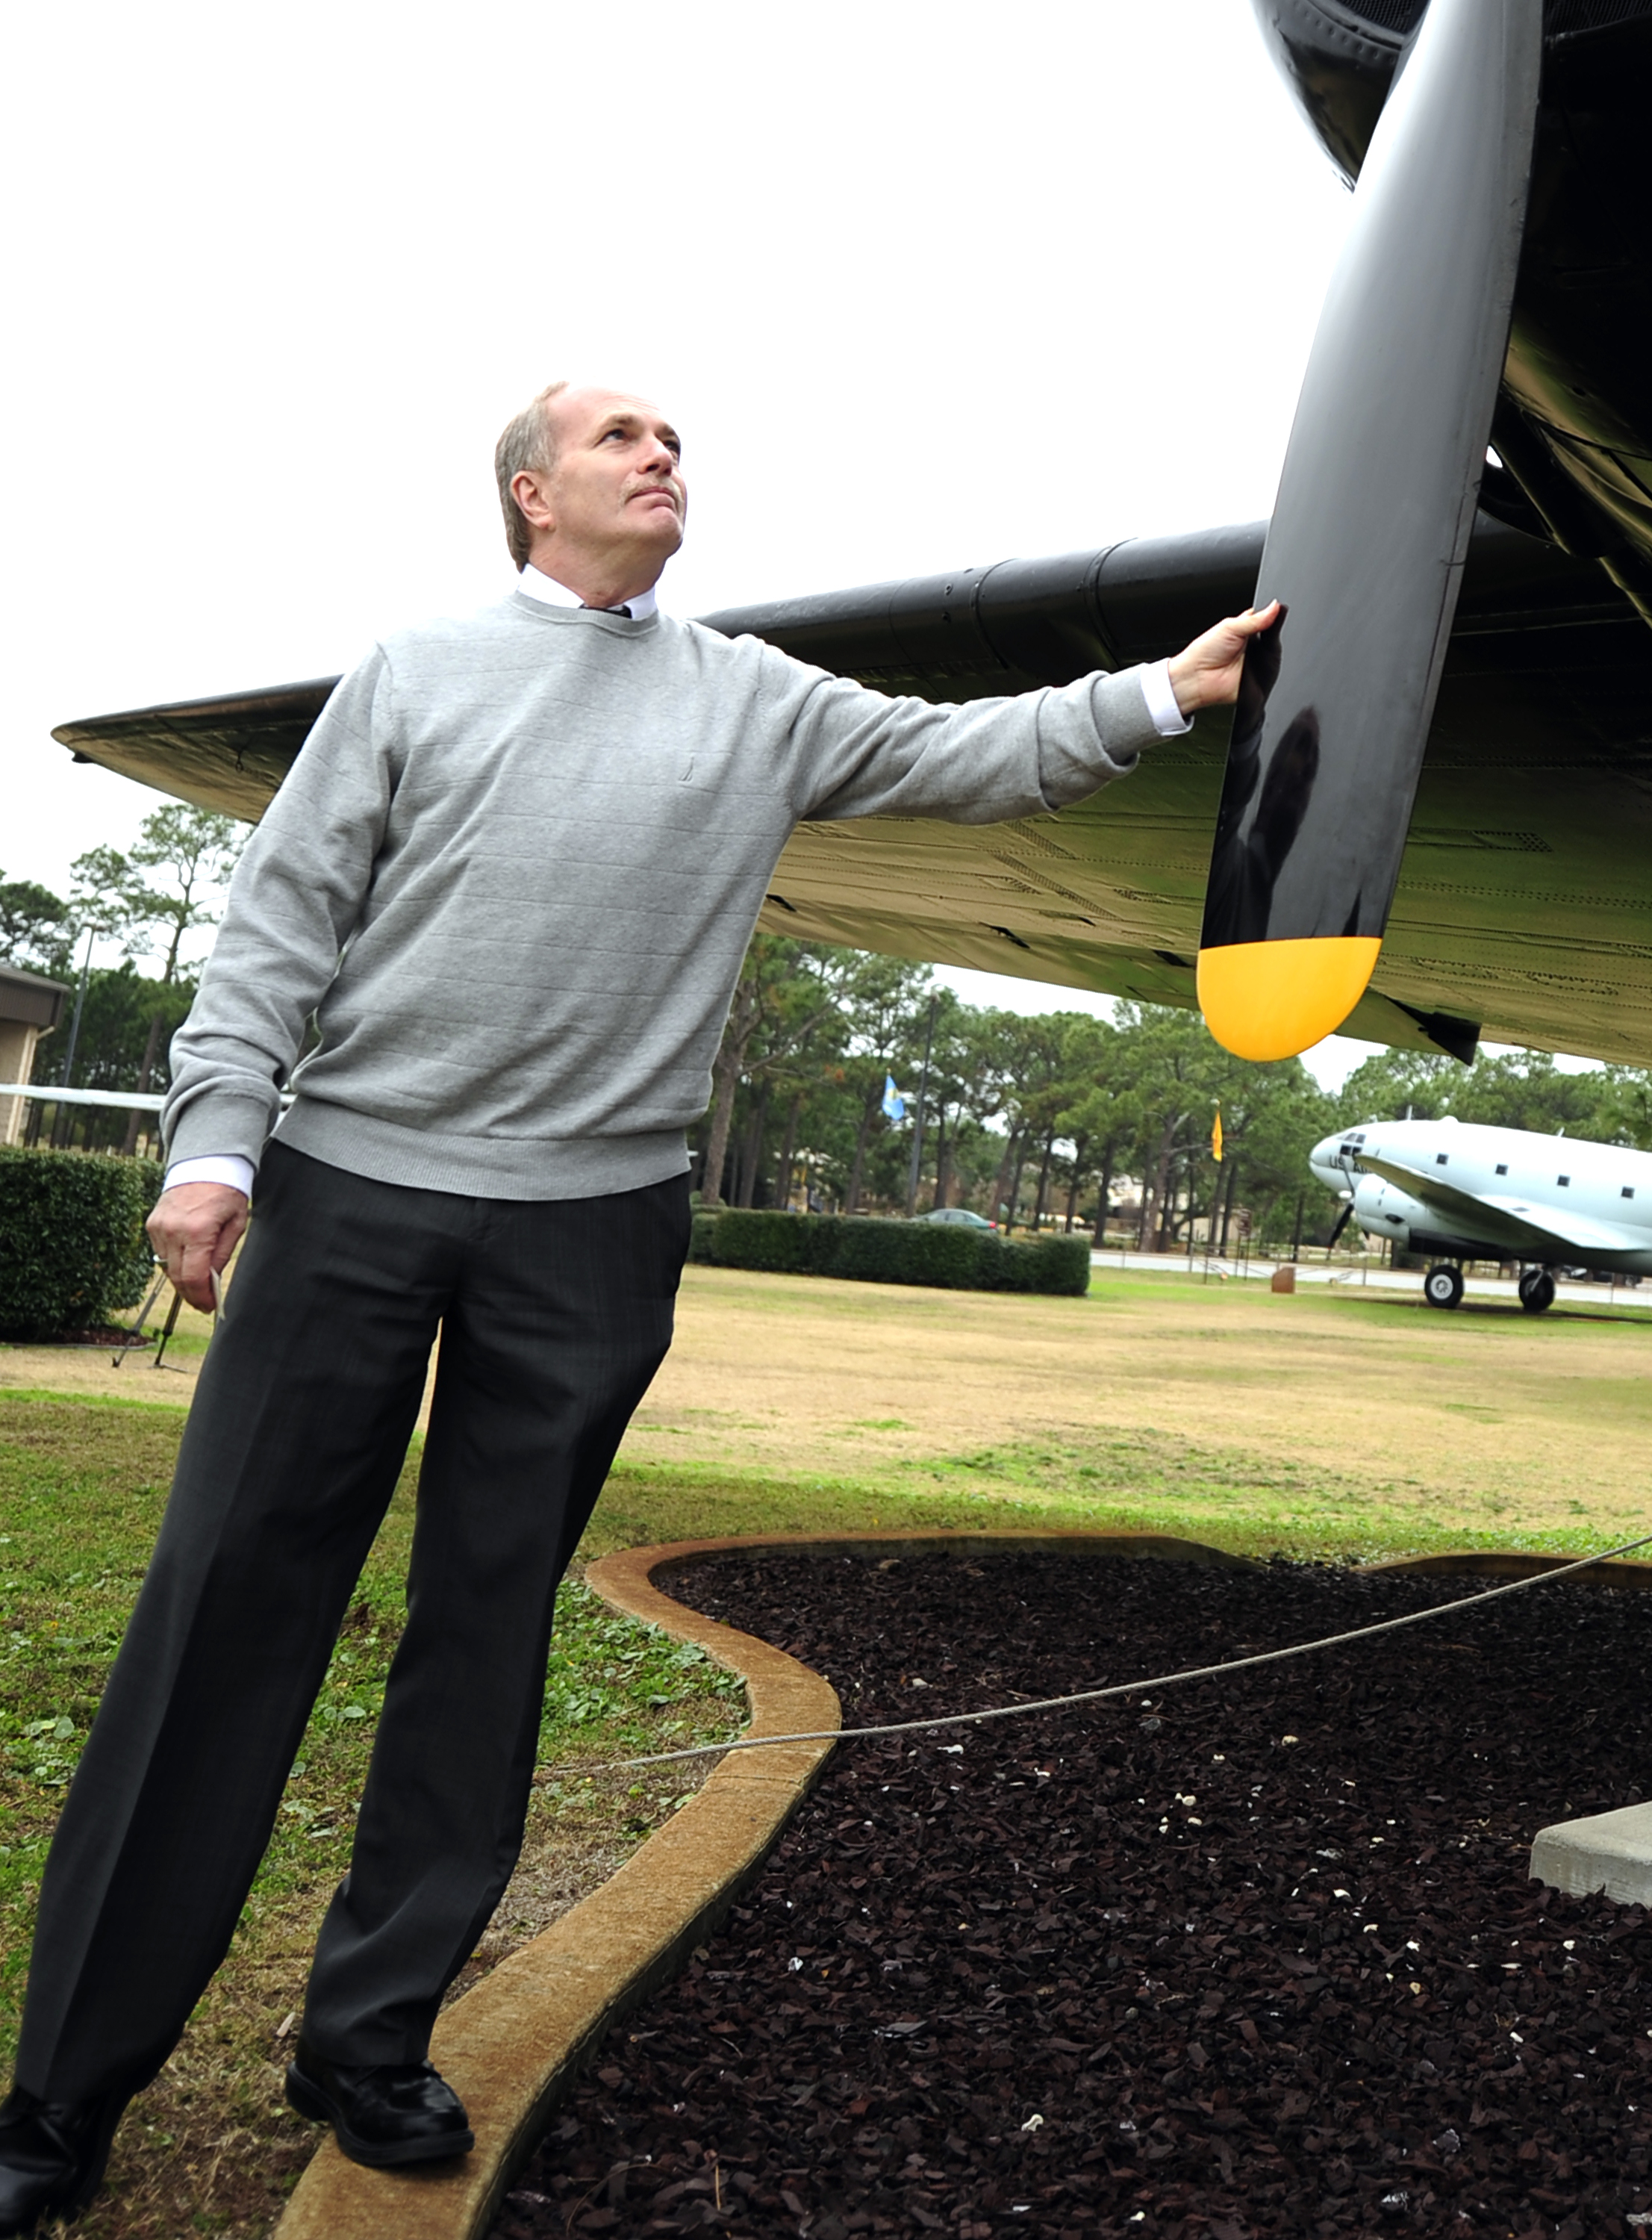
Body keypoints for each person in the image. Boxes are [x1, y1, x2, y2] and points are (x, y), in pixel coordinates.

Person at [0, 380, 1276, 2233]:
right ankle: (59, 2097)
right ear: (531, 493)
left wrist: (1172, 689)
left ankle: (367, 2038)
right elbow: (280, 922)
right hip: (356, 1193)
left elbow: (973, 754)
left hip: (592, 1231)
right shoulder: (417, 671)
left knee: (486, 1632)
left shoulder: (751, 699)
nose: (661, 454)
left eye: (674, 438)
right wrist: (215, 1147)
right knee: (223, 1621)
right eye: (619, 436)